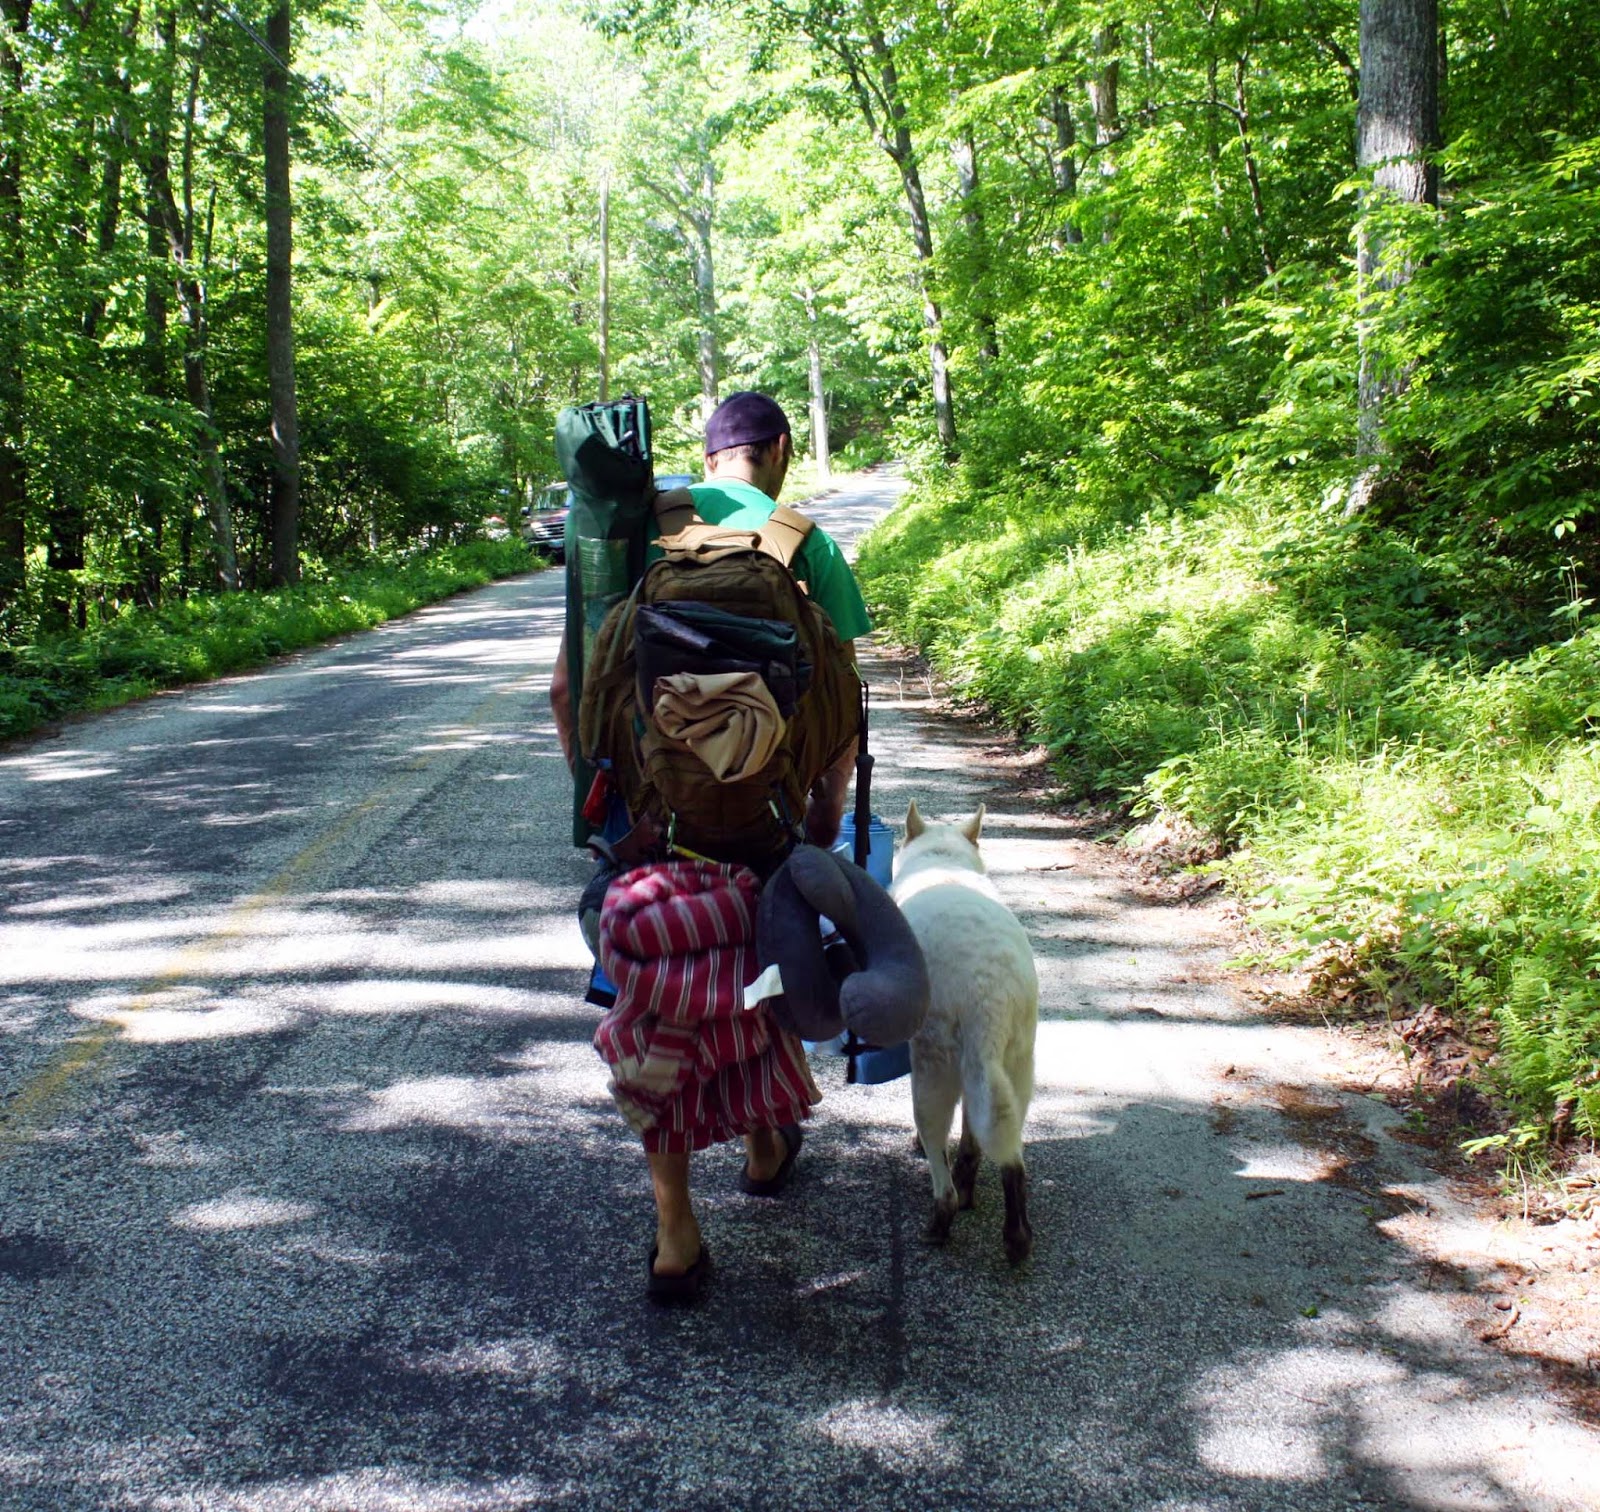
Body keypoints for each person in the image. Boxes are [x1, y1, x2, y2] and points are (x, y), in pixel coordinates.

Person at [548, 391, 872, 1299]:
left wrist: (607, 813)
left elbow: (569, 690)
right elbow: (839, 710)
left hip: (655, 823)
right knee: (764, 978)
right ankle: (768, 1145)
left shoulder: (640, 530)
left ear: (710, 453)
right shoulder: (804, 538)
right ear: (774, 451)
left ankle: (675, 1232)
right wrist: (819, 821)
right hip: (767, 818)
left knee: (661, 1001)